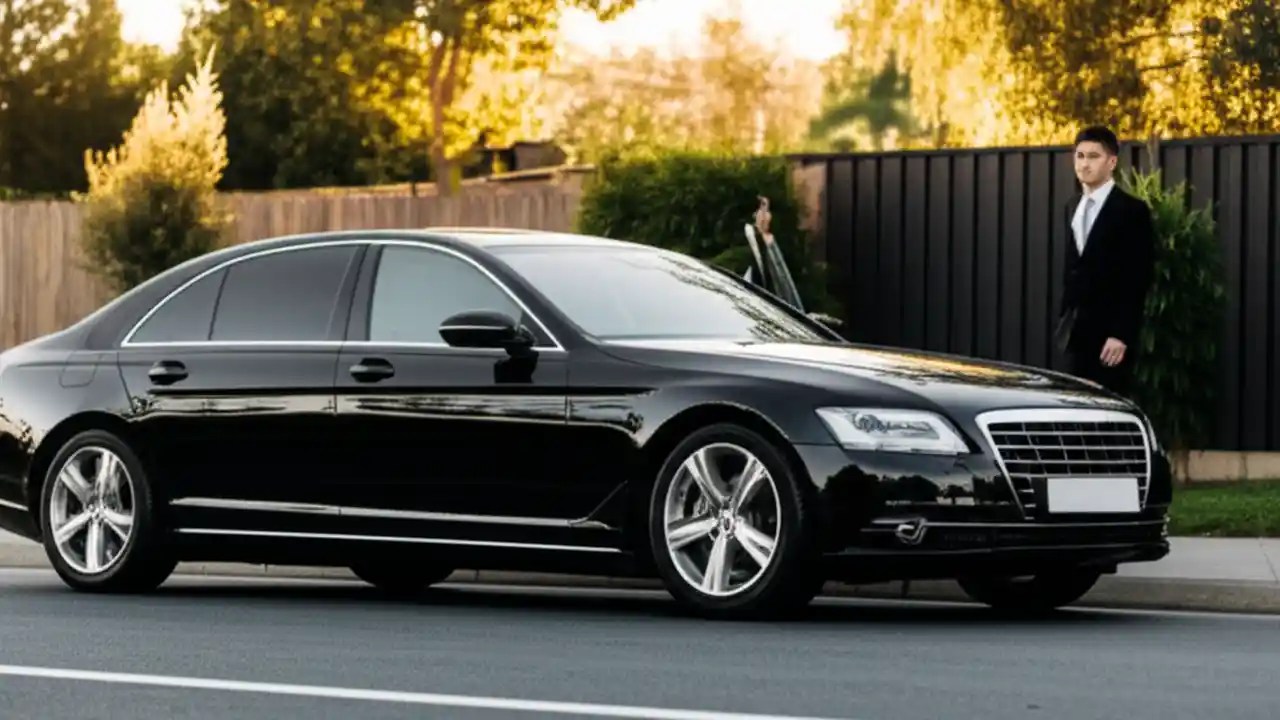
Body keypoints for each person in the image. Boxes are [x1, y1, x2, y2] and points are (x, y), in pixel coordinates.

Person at [1055, 126, 1156, 397]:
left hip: (1110, 339)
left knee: (1105, 409)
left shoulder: (1131, 210)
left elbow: (1138, 276)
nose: (1084, 164)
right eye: (1080, 156)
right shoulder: (1072, 207)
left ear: (1111, 162)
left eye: (1093, 156)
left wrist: (1121, 334)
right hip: (1074, 335)